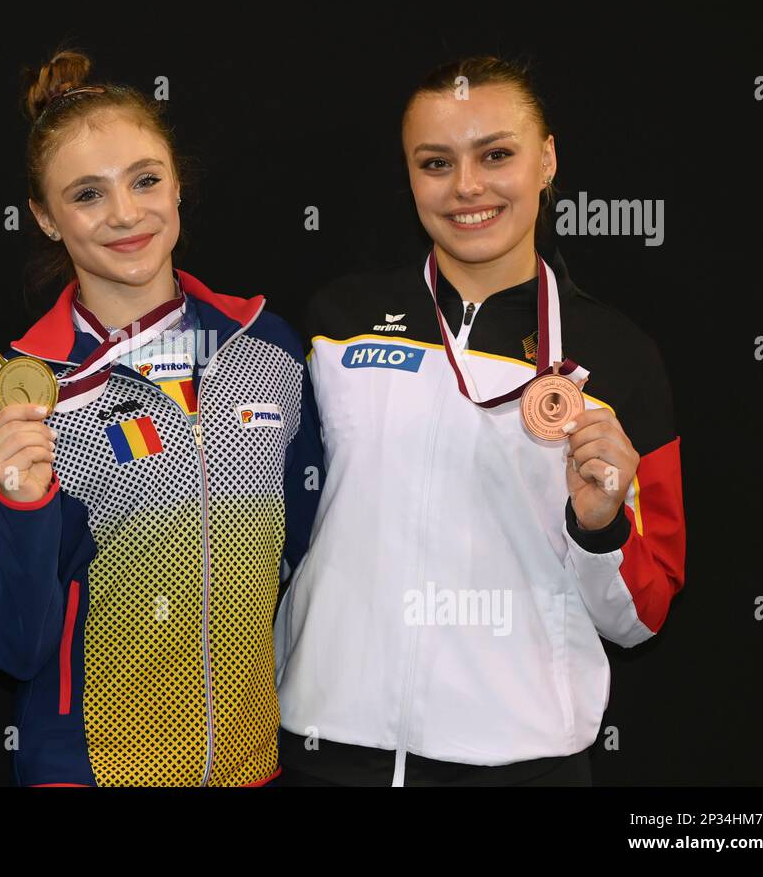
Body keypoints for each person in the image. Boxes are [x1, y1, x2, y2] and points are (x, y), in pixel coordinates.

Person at [274, 56, 686, 786]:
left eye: (496, 154)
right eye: (436, 162)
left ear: (547, 158)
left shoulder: (619, 355)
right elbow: (285, 527)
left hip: (520, 760)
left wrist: (601, 528)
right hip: (324, 742)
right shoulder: (336, 324)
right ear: (408, 174)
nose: (467, 186)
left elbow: (643, 614)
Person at [0, 49, 323, 786]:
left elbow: (305, 557)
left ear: (178, 183)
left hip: (253, 770)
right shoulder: (19, 392)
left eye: (146, 180)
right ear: (43, 216)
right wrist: (23, 507)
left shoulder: (271, 350)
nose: (126, 214)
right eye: (87, 194)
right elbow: (15, 647)